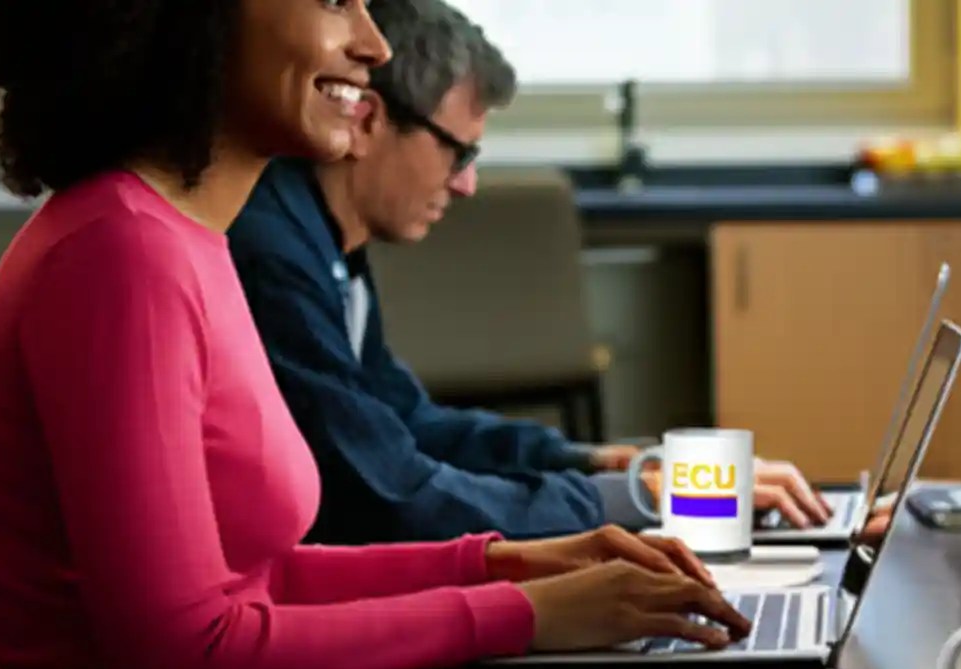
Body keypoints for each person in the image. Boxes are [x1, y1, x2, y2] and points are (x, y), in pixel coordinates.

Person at [0, 2, 748, 669]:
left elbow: (264, 580)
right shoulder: (124, 256)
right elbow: (186, 654)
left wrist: (509, 567)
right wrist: (520, 614)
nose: (373, 45)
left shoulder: (183, 240)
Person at [227, 0, 834, 546]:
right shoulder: (274, 255)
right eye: (457, 152)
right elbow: (391, 496)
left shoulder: (327, 244)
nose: (467, 184)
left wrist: (608, 466)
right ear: (366, 121)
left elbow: (412, 426)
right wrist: (643, 501)